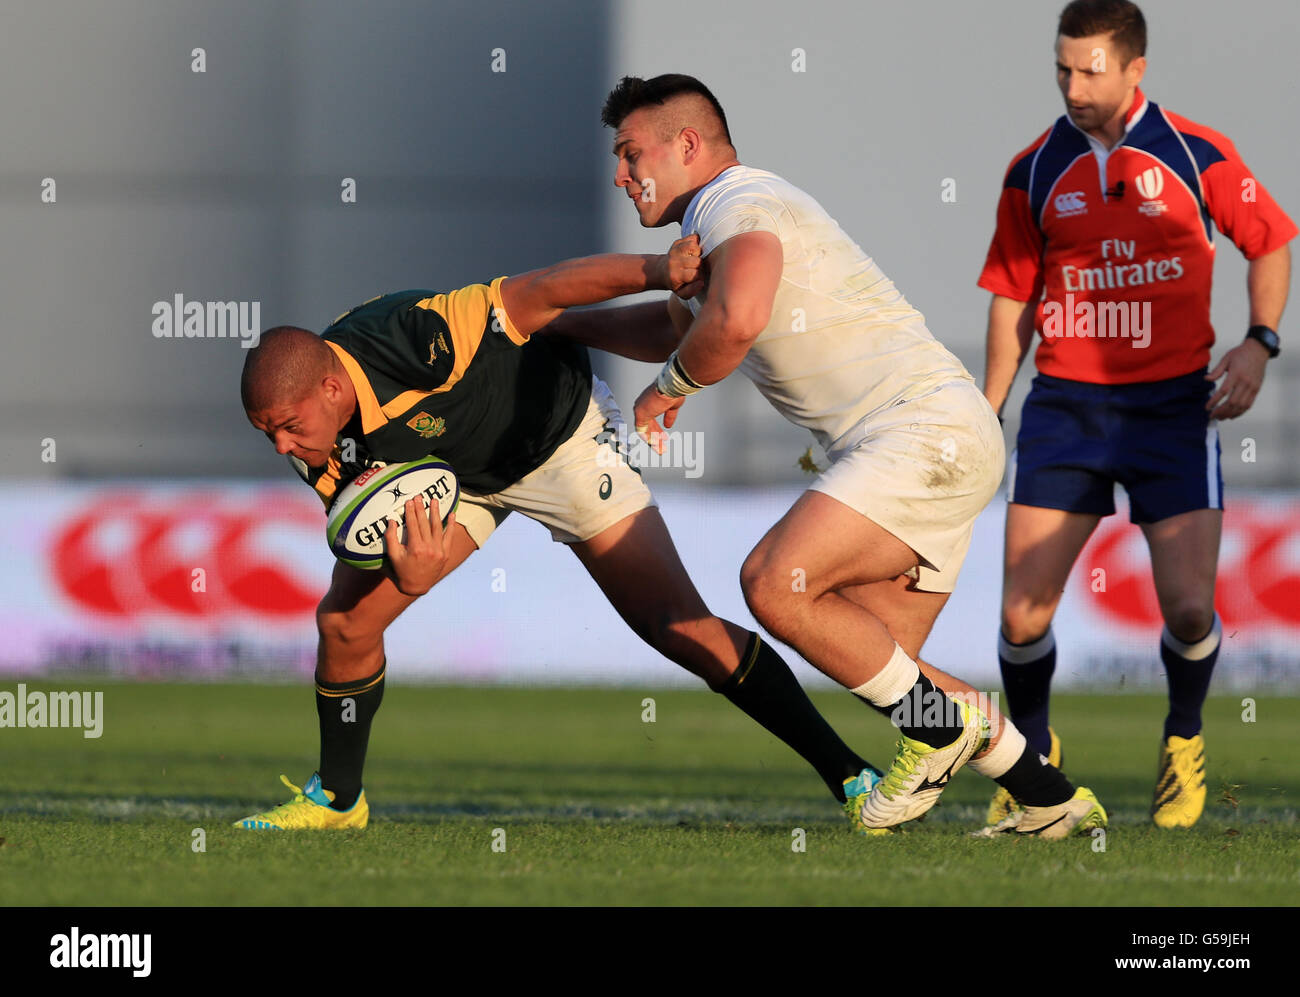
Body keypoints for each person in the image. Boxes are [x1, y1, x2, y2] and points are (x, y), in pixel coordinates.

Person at [554, 72, 1104, 837]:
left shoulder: (732, 204)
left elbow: (736, 319)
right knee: (882, 661)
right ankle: (1049, 794)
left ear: (687, 145)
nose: (620, 174)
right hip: (942, 434)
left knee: (773, 584)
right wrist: (560, 325)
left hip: (919, 433)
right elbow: (677, 325)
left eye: (629, 152)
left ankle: (939, 738)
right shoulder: (732, 213)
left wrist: (667, 390)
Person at [233, 243, 884, 830]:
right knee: (345, 624)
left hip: (560, 438)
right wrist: (412, 576)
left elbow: (544, 289)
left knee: (675, 624)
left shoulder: (414, 337)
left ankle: (852, 774)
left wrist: (657, 269)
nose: (283, 444)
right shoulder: (311, 438)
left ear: (330, 384)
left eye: (289, 425)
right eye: (270, 433)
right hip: (460, 478)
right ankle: (339, 801)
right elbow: (373, 527)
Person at [978, 0, 1295, 830]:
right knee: (1020, 615)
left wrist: (1260, 342)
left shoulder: (1200, 154)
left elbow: (1269, 241)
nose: (1073, 85)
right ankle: (1034, 761)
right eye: (1062, 67)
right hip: (1065, 411)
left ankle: (1183, 738)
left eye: (1090, 69)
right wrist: (988, 408)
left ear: (1134, 70)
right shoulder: (1034, 169)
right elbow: (1013, 293)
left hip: (1171, 411)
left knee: (1189, 609)